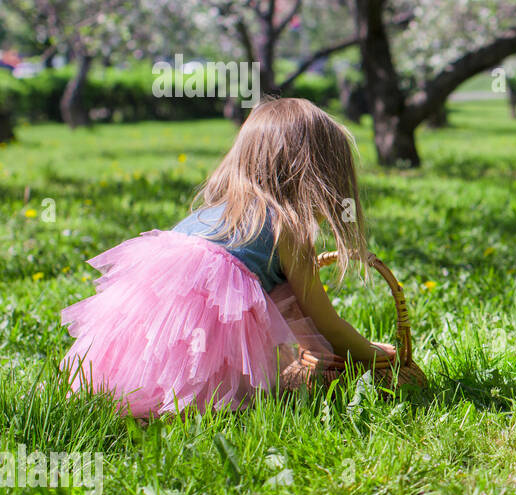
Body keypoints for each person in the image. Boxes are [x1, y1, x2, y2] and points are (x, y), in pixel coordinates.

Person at [61, 98, 395, 416]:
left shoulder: (215, 214)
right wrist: (375, 354)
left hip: (147, 337)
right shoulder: (287, 227)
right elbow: (325, 321)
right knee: (214, 402)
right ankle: (191, 401)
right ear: (318, 177)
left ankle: (138, 393)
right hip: (200, 340)